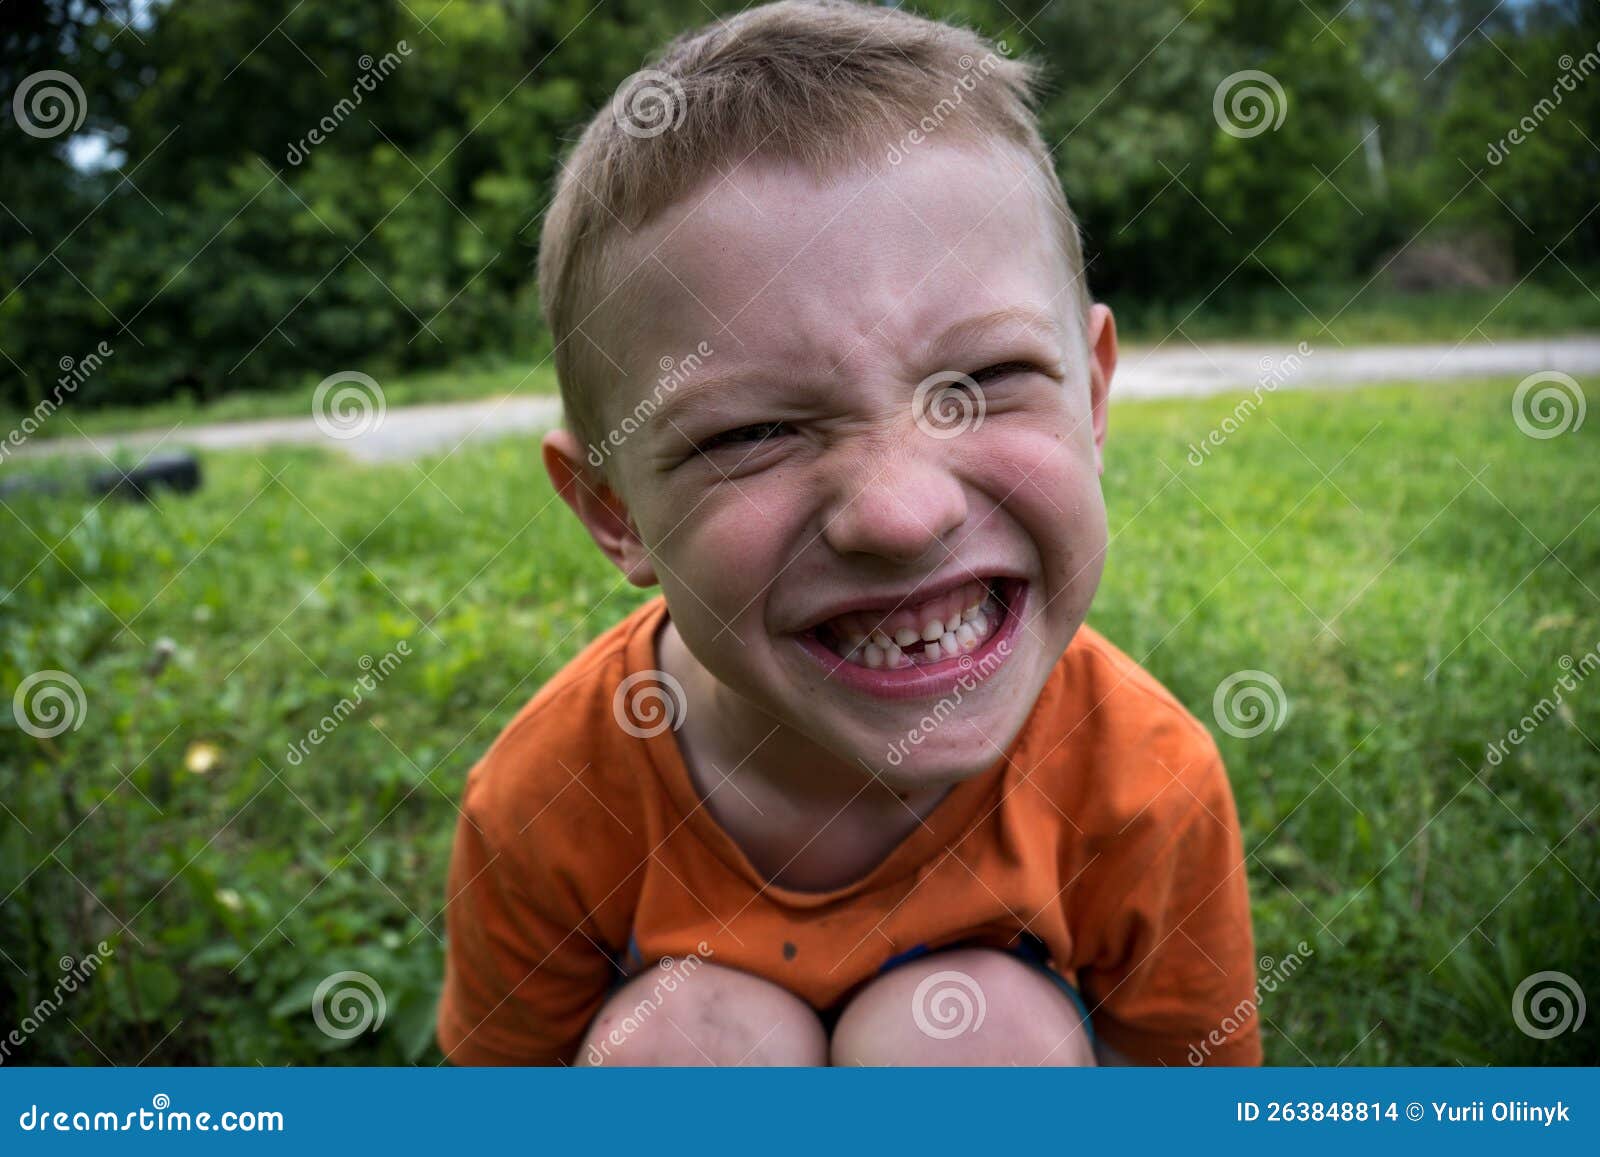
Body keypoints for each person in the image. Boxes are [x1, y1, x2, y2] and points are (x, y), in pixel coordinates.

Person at [437, 0, 1260, 1066]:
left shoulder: (1144, 780)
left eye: (982, 383)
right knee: (678, 1043)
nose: (899, 513)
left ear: (1093, 399)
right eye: (754, 431)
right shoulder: (549, 795)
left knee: (980, 1033)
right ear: (612, 511)